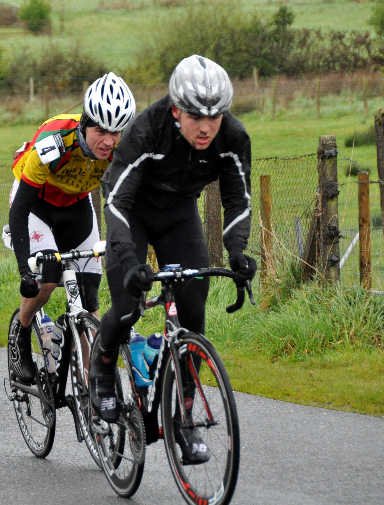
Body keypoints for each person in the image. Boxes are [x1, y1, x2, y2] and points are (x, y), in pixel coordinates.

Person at [91, 55, 257, 462]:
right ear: (176, 109)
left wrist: (237, 250)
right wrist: (128, 258)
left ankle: (180, 418)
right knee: (129, 305)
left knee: (194, 315)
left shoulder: (233, 138)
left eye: (215, 117)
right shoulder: (148, 131)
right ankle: (102, 366)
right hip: (130, 213)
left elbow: (238, 197)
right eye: (196, 116)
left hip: (180, 215)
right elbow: (116, 197)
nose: (206, 127)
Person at [8, 73, 135, 384]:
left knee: (90, 299)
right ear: (84, 123)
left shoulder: (122, 149)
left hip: (76, 206)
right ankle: (21, 334)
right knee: (47, 280)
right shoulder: (54, 143)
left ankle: (87, 377)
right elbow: (20, 209)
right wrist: (26, 269)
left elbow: (126, 203)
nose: (109, 141)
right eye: (101, 131)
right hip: (36, 203)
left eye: (116, 132)